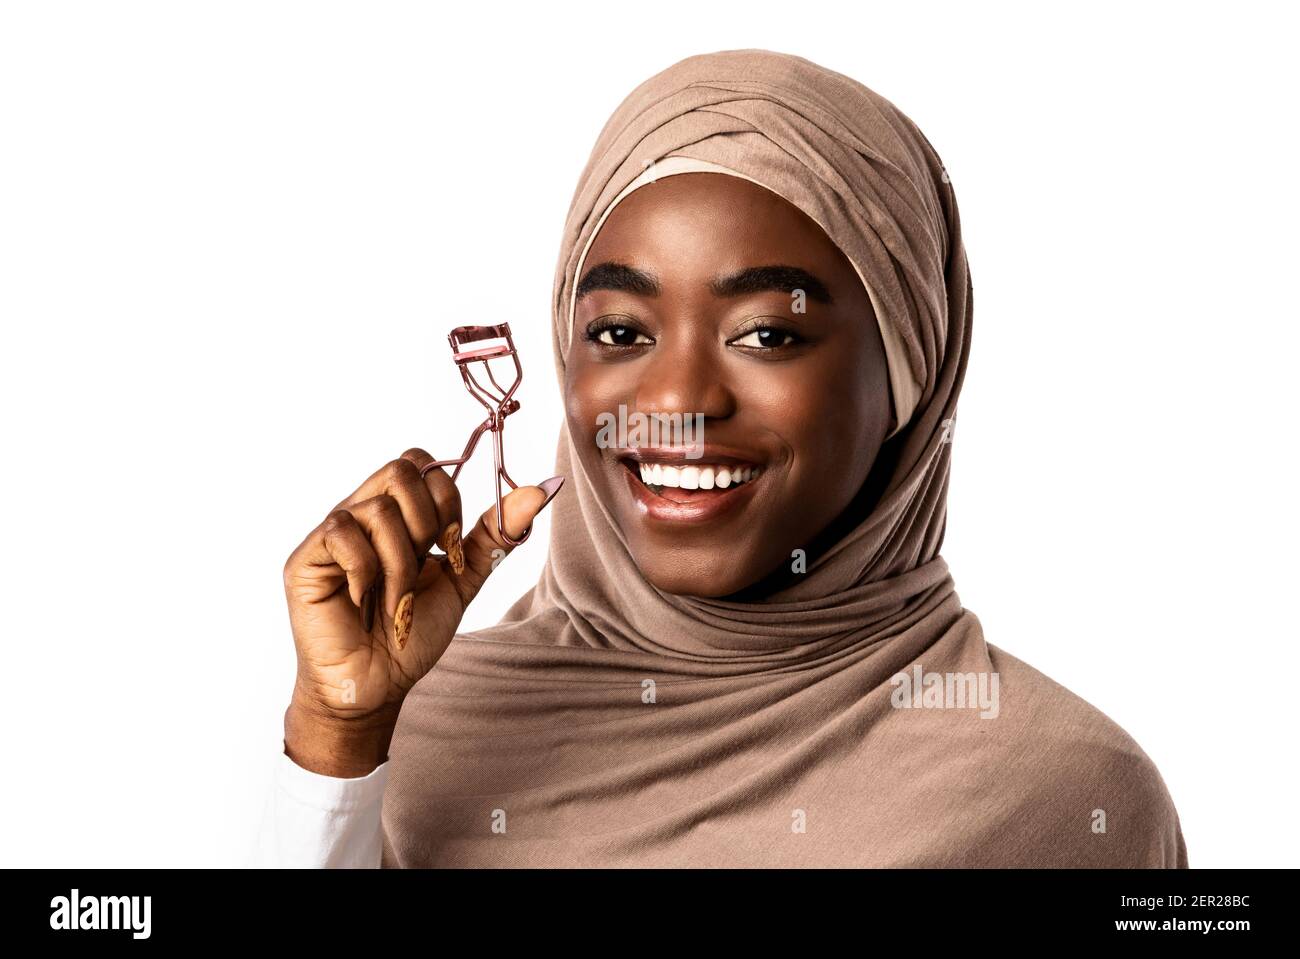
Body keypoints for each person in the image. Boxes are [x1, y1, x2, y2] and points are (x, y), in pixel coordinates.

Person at [255, 48, 1187, 868]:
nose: (676, 404)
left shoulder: (1066, 794)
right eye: (620, 330)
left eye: (768, 336)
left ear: (913, 372)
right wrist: (339, 739)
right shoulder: (425, 731)